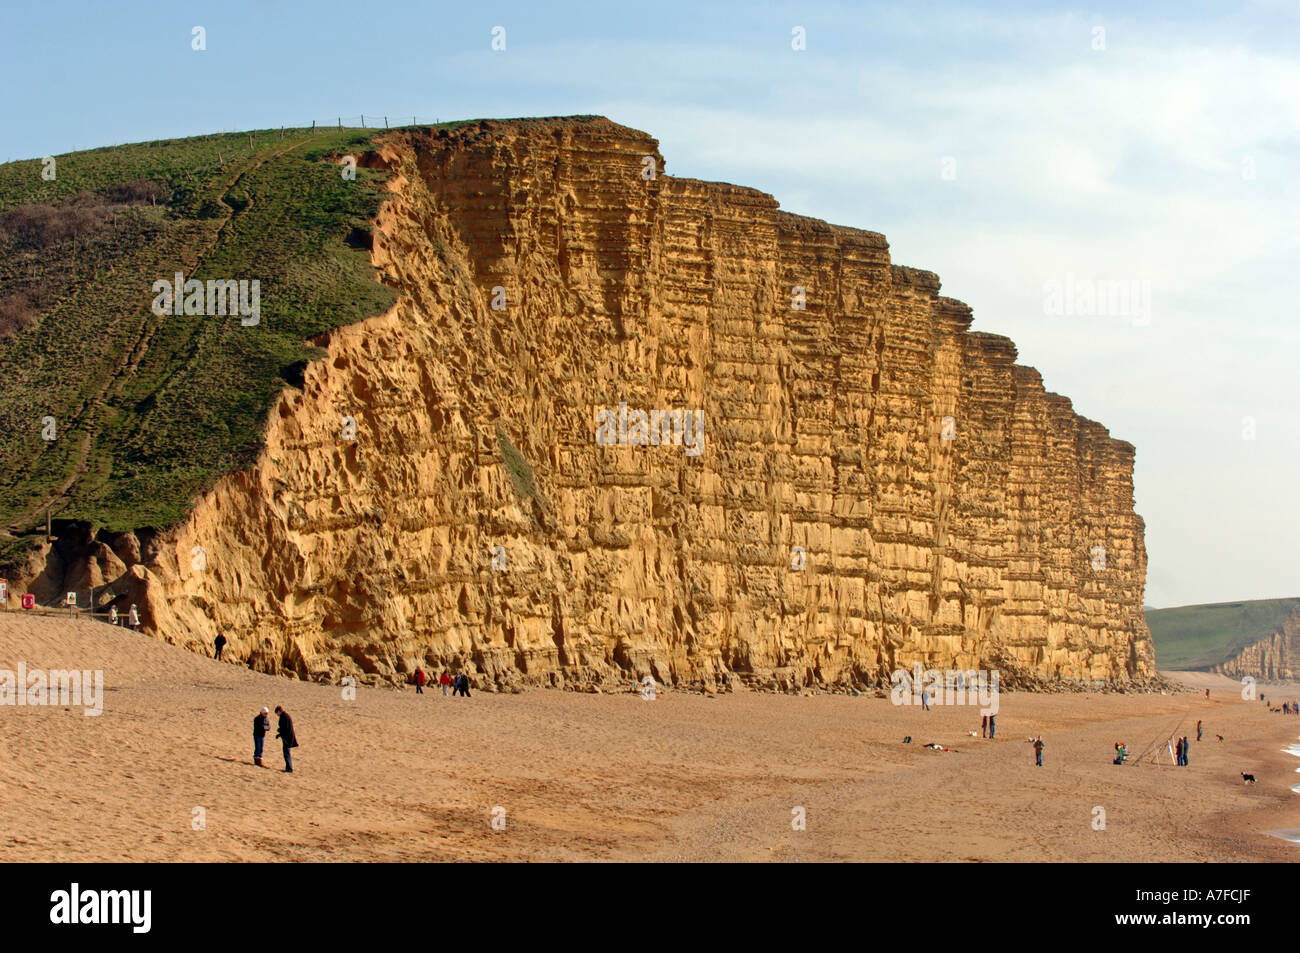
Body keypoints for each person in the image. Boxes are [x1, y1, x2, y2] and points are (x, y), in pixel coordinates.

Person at [274, 705, 298, 773]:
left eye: (277, 713)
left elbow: (285, 728)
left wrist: (279, 732)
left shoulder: (285, 717)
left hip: (287, 738)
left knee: (286, 753)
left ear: (279, 711)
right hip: (287, 737)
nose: (277, 715)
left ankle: (289, 769)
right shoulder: (285, 716)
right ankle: (288, 768)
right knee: (286, 753)